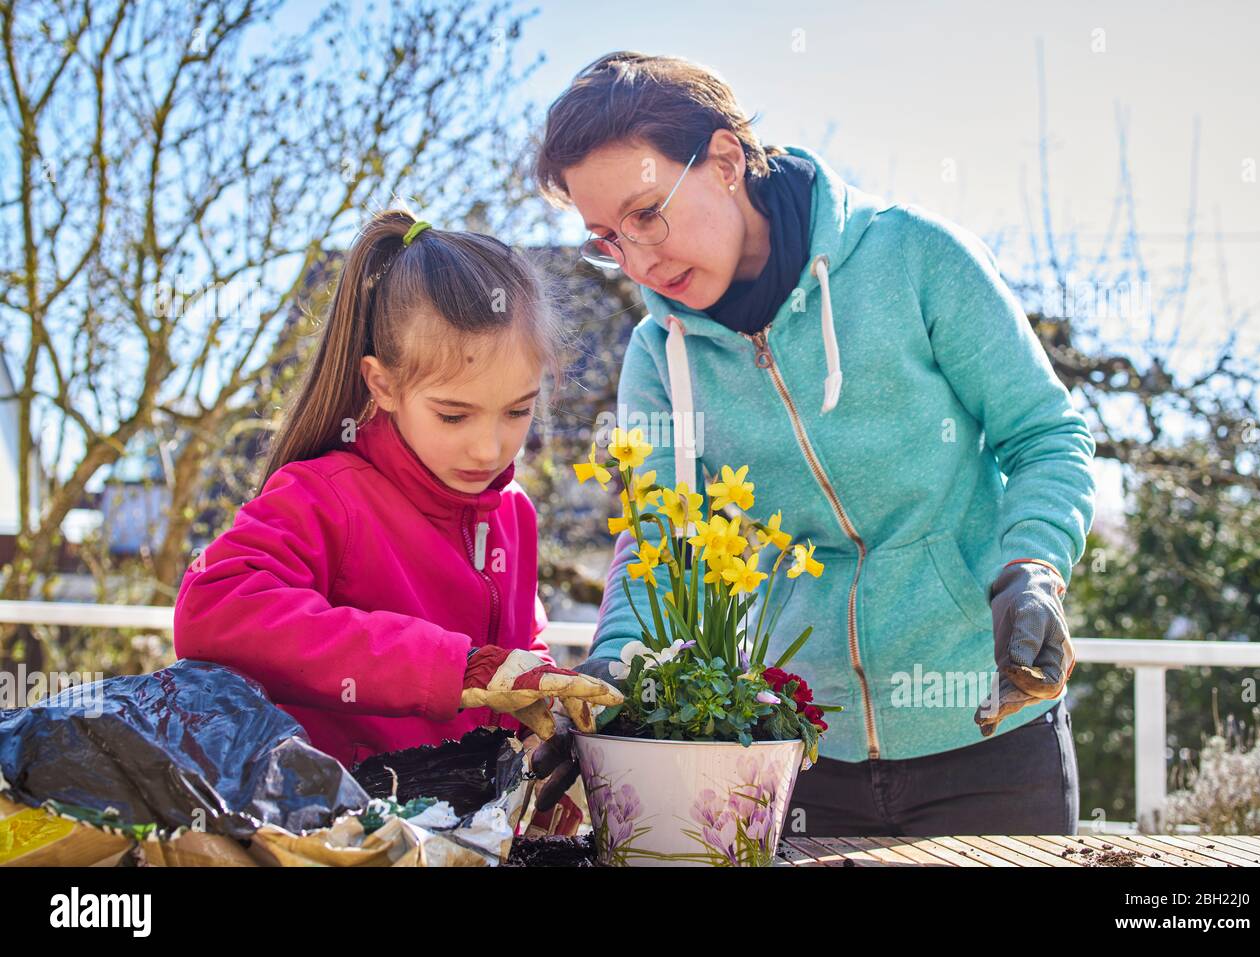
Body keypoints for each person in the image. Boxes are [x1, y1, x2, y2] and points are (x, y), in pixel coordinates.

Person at [529, 52, 1094, 836]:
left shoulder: (918, 259)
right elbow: (661, 542)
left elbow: (1045, 437)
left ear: (726, 160)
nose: (639, 259)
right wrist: (606, 679)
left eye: (648, 212)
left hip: (989, 734)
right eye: (605, 238)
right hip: (789, 756)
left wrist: (1033, 565)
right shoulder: (659, 357)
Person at [172, 210, 621, 796]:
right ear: (382, 385)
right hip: (345, 829)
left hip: (470, 833)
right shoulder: (325, 494)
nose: (489, 447)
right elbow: (213, 611)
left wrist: (538, 740)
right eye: (453, 414)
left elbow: (518, 649)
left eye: (517, 410)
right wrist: (448, 668)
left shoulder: (515, 514)